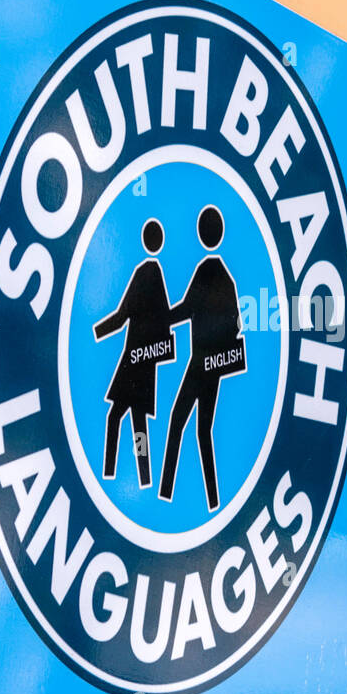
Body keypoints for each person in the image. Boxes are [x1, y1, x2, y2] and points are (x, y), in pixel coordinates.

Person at [159, 205, 246, 511]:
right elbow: (236, 320)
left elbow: (186, 308)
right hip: (214, 367)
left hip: (200, 363)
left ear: (202, 232)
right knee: (203, 430)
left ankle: (166, 493)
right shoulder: (227, 277)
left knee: (176, 421)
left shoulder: (207, 273)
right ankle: (212, 498)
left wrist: (160, 320)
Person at [92, 218, 174, 487]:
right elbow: (166, 319)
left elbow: (122, 315)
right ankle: (145, 477)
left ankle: (110, 470)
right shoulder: (158, 275)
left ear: (145, 240)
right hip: (145, 364)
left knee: (115, 417)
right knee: (138, 424)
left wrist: (97, 331)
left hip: (134, 361)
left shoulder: (143, 273)